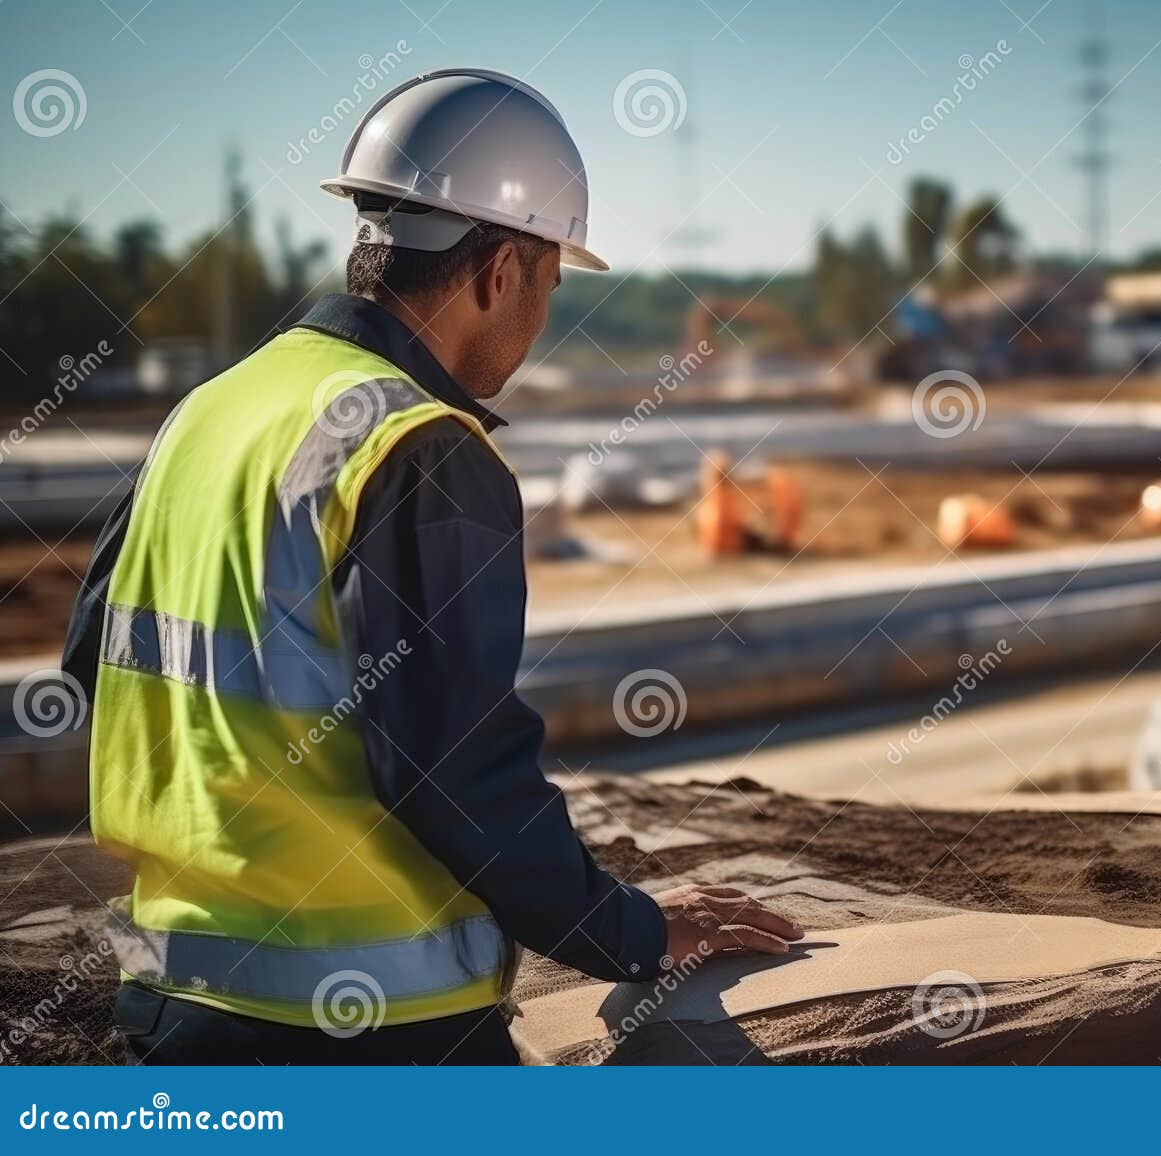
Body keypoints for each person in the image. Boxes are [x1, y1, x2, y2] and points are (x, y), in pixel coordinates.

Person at [62, 69, 799, 1066]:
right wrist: (628, 930)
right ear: (500, 269)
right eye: (549, 283)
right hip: (372, 1029)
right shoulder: (419, 443)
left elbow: (91, 667)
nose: (540, 322)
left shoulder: (210, 412)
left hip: (168, 1006)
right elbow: (453, 763)